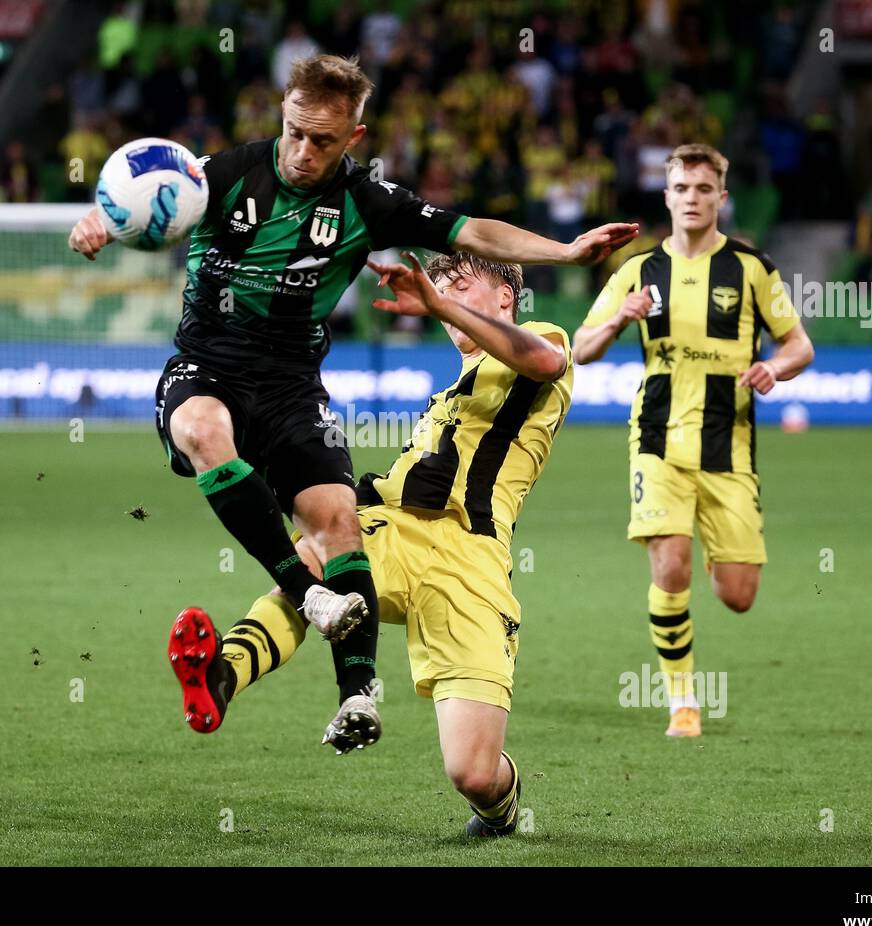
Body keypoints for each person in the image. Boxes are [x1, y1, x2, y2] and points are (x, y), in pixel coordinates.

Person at [68, 54, 636, 750]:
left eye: (324, 141)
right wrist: (99, 219)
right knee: (204, 430)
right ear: (283, 111)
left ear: (354, 137)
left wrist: (567, 251)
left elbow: (476, 233)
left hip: (293, 388)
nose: (304, 152)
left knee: (337, 520)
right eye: (295, 132)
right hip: (209, 366)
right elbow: (143, 190)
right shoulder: (226, 174)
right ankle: (280, 624)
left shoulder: (369, 204)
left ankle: (357, 695)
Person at [167, 250, 571, 837]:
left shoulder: (540, 337)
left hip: (475, 559)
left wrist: (432, 296)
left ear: (506, 297)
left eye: (460, 286)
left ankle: (499, 812)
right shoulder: (451, 390)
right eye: (439, 292)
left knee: (473, 772)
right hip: (397, 525)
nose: (446, 301)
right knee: (323, 553)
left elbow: (544, 361)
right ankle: (220, 676)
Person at [573, 144, 814, 738]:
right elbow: (577, 349)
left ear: (721, 199)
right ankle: (683, 701)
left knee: (738, 594)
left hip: (727, 444)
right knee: (669, 565)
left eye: (704, 189)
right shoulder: (636, 270)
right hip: (656, 437)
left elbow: (799, 346)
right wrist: (616, 320)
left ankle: (712, 537)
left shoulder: (753, 269)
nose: (691, 199)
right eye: (681, 188)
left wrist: (774, 370)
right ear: (667, 196)